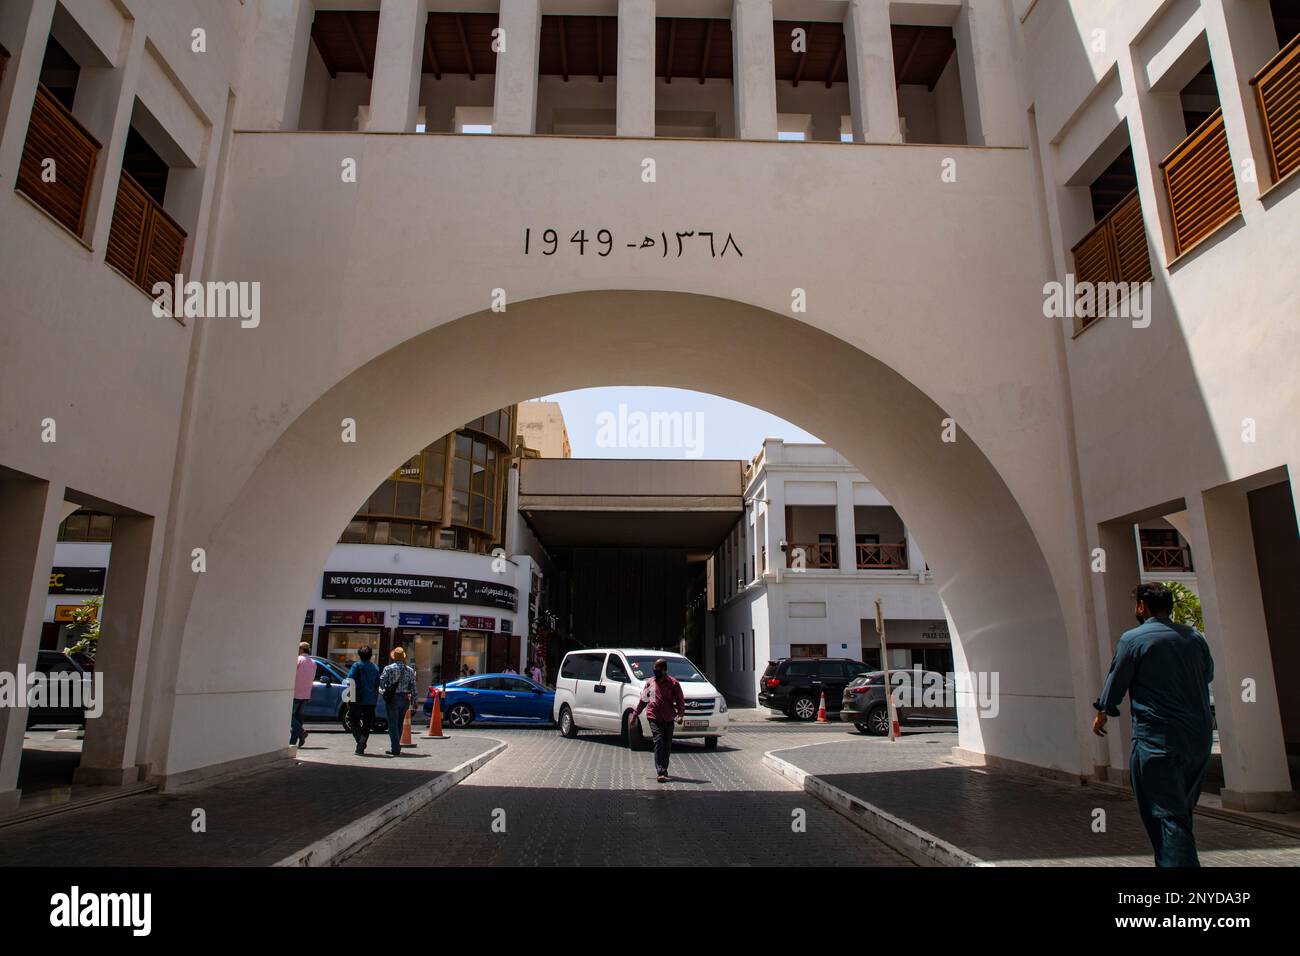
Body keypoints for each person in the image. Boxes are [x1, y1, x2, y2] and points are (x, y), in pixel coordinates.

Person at [1093, 582, 1215, 867]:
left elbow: (1117, 682)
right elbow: (1207, 674)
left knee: (1165, 813)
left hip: (1156, 740)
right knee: (1180, 810)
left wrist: (1102, 711)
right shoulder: (1195, 637)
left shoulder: (1133, 639)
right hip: (1198, 739)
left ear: (1141, 606)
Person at [630, 658, 685, 783]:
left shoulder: (673, 683)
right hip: (654, 716)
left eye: (658, 669)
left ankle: (664, 769)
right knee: (659, 741)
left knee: (667, 744)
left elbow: (680, 700)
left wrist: (681, 715)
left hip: (669, 717)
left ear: (664, 670)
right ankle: (660, 771)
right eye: (654, 669)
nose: (655, 671)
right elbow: (643, 700)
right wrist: (634, 715)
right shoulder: (650, 683)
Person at [379, 645, 418, 757]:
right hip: (405, 698)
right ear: (404, 657)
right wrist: (415, 700)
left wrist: (385, 689)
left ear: (394, 657)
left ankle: (395, 748)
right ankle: (397, 746)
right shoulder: (410, 670)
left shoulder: (388, 668)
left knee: (392, 724)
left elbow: (381, 682)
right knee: (400, 723)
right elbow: (414, 686)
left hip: (393, 698)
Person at [346, 645, 381, 756]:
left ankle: (360, 739)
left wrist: (349, 696)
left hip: (357, 698)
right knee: (367, 723)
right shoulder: (375, 667)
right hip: (371, 699)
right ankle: (363, 740)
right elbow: (377, 683)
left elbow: (350, 680)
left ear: (359, 655)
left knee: (353, 719)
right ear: (371, 656)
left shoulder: (356, 666)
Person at [290, 642, 315, 748]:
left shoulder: (298, 660)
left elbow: (292, 674)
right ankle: (292, 742)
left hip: (296, 692)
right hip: (306, 693)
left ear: (301, 649)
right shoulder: (313, 662)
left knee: (290, 716)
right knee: (299, 717)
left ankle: (301, 732)